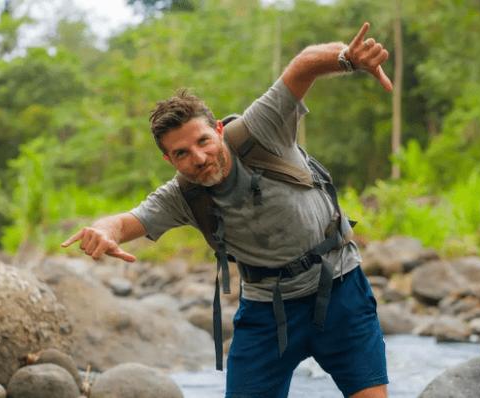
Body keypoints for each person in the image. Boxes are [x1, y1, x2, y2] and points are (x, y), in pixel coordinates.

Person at [62, 22, 392, 398]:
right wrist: (104, 231)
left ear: (218, 129)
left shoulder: (260, 130)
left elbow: (302, 65)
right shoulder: (183, 196)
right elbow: (126, 222)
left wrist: (347, 58)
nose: (198, 158)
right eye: (182, 153)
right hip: (266, 310)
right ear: (168, 159)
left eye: (203, 141)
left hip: (339, 289)